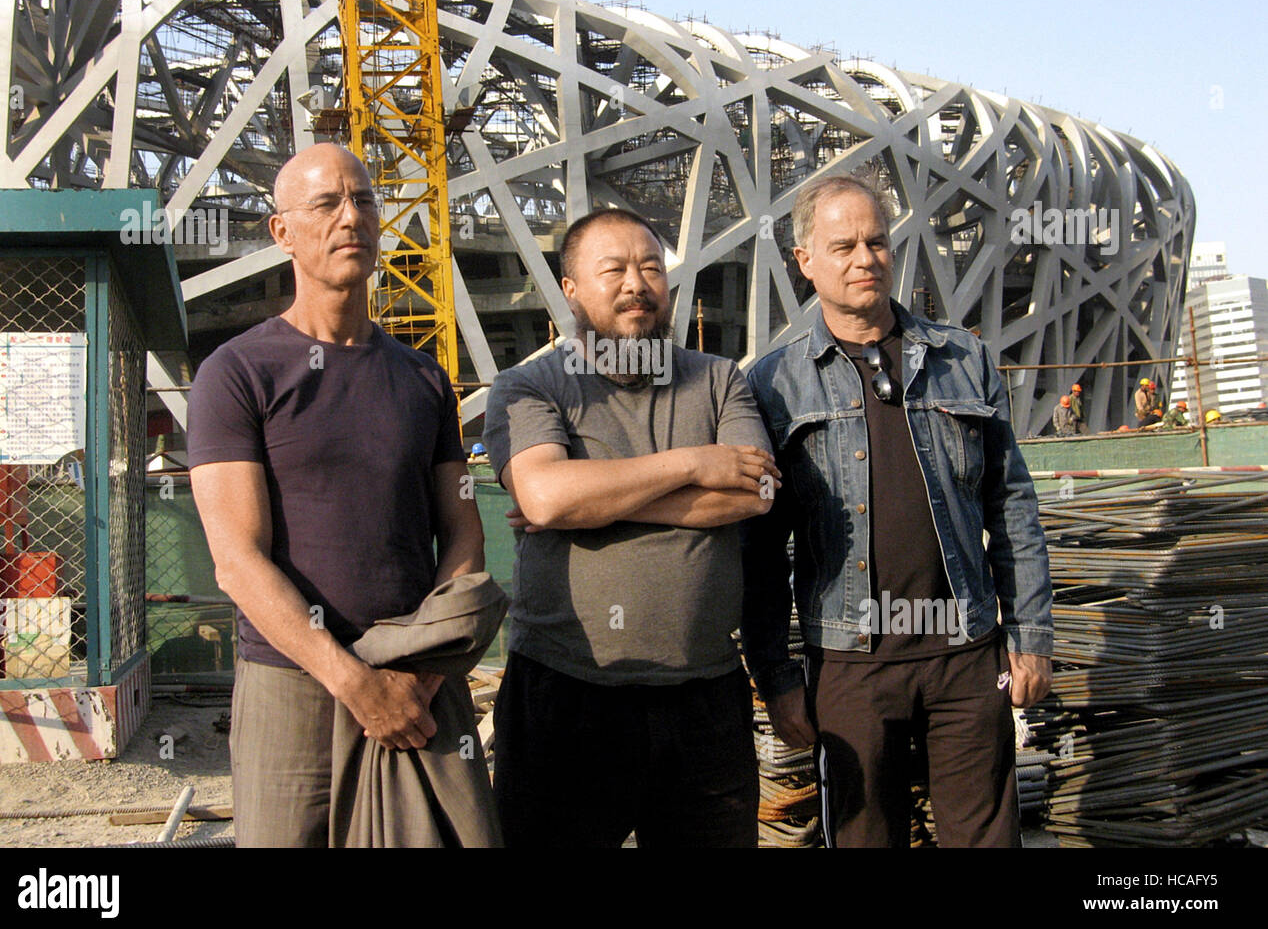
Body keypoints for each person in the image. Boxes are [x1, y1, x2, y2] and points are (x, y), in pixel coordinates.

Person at [740, 174, 1054, 848]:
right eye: (843, 244)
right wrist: (777, 676)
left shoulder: (960, 357)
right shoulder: (773, 383)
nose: (865, 258)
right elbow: (760, 551)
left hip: (967, 654)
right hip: (852, 664)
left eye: (877, 240)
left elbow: (1013, 504)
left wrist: (1029, 633)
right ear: (805, 261)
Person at [187, 143, 487, 847]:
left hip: (418, 683)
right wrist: (353, 681)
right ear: (282, 231)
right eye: (325, 203)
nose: (350, 217)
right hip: (292, 684)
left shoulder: (424, 379)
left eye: (364, 200)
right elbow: (236, 560)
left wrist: (417, 675)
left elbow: (466, 535)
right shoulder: (236, 374)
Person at [482, 208, 779, 848]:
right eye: (612, 268)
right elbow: (547, 496)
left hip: (704, 699)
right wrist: (694, 463)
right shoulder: (528, 386)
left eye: (650, 266)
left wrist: (592, 498)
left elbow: (755, 492)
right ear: (570, 290)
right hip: (566, 697)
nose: (635, 283)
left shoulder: (719, 379)